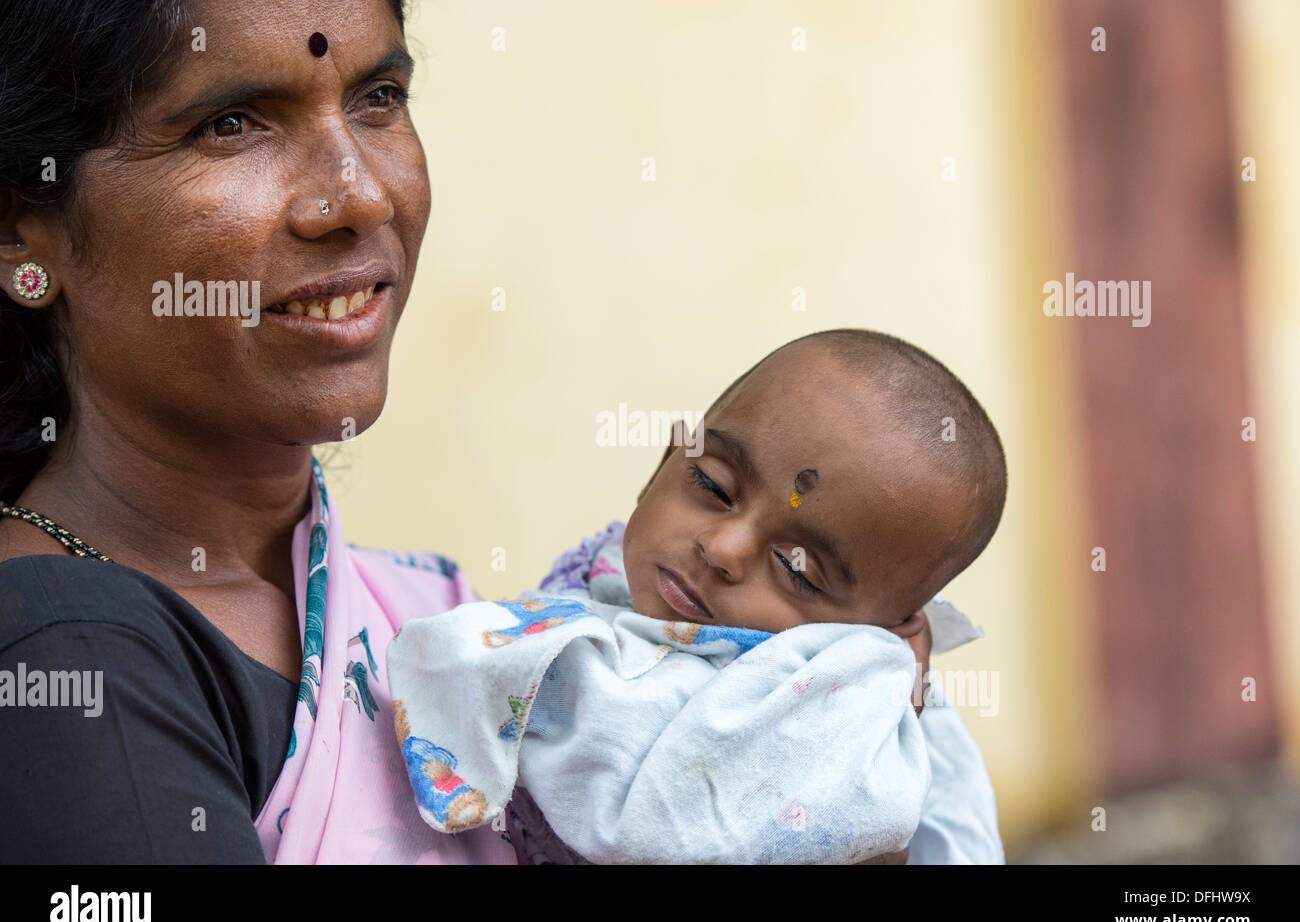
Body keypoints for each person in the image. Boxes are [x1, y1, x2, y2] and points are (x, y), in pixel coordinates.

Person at [0, 0, 930, 864]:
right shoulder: (66, 658)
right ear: (22, 236)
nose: (360, 196)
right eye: (232, 121)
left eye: (379, 99)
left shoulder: (433, 624)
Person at [388, 329, 1008, 863]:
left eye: (797, 569)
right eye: (712, 484)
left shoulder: (821, 725)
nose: (722, 547)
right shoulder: (603, 579)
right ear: (665, 462)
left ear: (879, 638)